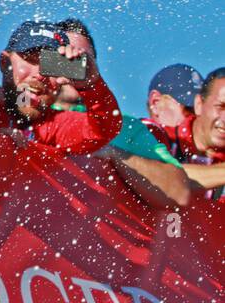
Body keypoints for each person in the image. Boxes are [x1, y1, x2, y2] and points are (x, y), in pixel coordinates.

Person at [52, 18, 191, 207]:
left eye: (83, 59)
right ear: (46, 62)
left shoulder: (127, 127)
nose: (75, 64)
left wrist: (114, 154)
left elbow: (179, 192)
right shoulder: (22, 114)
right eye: (65, 56)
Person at [0, 20, 121, 155]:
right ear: (4, 63)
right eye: (31, 60)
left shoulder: (53, 127)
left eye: (51, 65)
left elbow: (105, 129)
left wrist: (92, 84)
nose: (40, 75)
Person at [146, 67, 225, 196]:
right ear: (199, 104)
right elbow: (160, 176)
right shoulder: (146, 132)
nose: (192, 115)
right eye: (188, 107)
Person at [146, 64, 202, 130]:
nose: (198, 114)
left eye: (203, 110)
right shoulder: (136, 138)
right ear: (155, 103)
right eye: (189, 108)